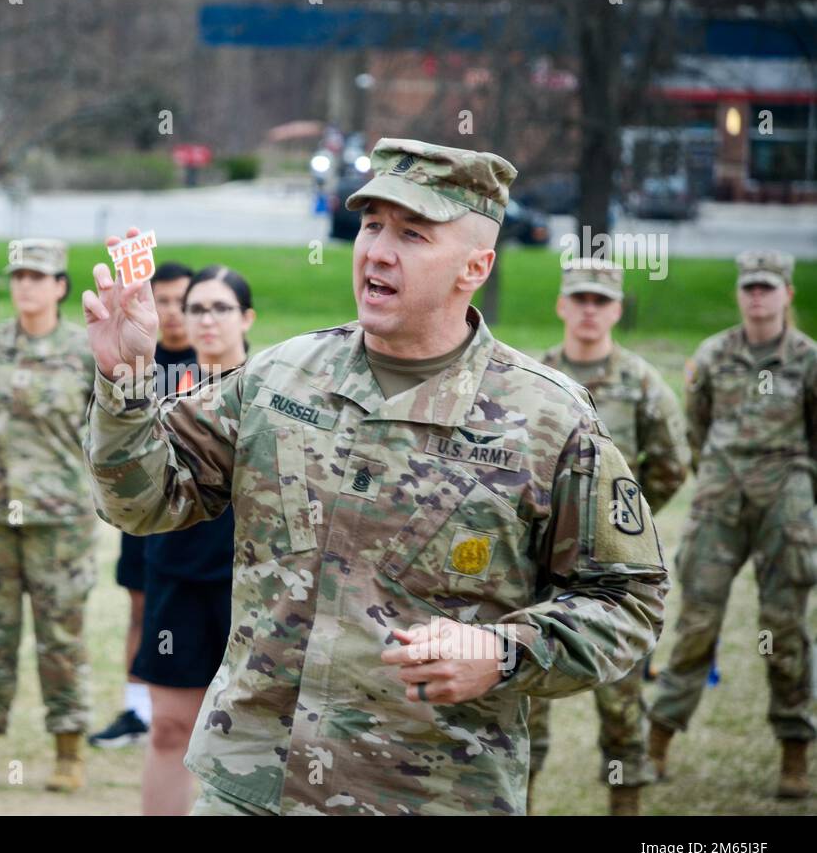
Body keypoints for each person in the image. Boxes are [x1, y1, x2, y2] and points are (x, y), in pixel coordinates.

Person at [81, 138, 669, 816]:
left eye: (413, 233)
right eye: (371, 225)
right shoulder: (280, 377)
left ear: (474, 266)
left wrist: (505, 651)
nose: (378, 250)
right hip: (254, 786)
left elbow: (629, 601)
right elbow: (142, 502)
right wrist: (125, 381)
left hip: (430, 795)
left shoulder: (547, 419)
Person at [649, 250, 816, 800]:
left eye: (769, 287)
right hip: (719, 500)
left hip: (783, 501)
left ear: (787, 293)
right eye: (750, 287)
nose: (758, 297)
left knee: (782, 628)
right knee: (696, 623)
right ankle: (657, 741)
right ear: (739, 294)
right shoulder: (712, 354)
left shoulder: (807, 360)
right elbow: (696, 425)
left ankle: (794, 749)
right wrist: (717, 474)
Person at [526, 259, 690, 816]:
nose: (589, 310)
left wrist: (622, 526)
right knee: (526, 687)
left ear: (617, 309)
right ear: (562, 305)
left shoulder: (641, 382)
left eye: (601, 301)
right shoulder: (536, 377)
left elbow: (670, 464)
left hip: (611, 571)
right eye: (580, 299)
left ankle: (627, 808)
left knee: (620, 695)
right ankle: (515, 802)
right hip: (540, 564)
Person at [0, 238, 98, 792]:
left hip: (60, 518)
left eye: (39, 276)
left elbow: (113, 429)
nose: (26, 285)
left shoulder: (84, 352)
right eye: (19, 276)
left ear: (60, 286)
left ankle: (69, 751)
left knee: (61, 638)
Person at [135, 266, 252, 815]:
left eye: (219, 308)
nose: (204, 319)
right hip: (177, 577)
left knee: (250, 740)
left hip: (252, 587)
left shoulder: (272, 395)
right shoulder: (165, 392)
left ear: (246, 318)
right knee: (168, 728)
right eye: (194, 307)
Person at [89, 261, 198, 749]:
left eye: (184, 302)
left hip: (199, 518)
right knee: (140, 609)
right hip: (144, 511)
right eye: (166, 300)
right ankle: (136, 709)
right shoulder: (137, 360)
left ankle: (191, 709)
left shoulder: (216, 362)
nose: (174, 313)